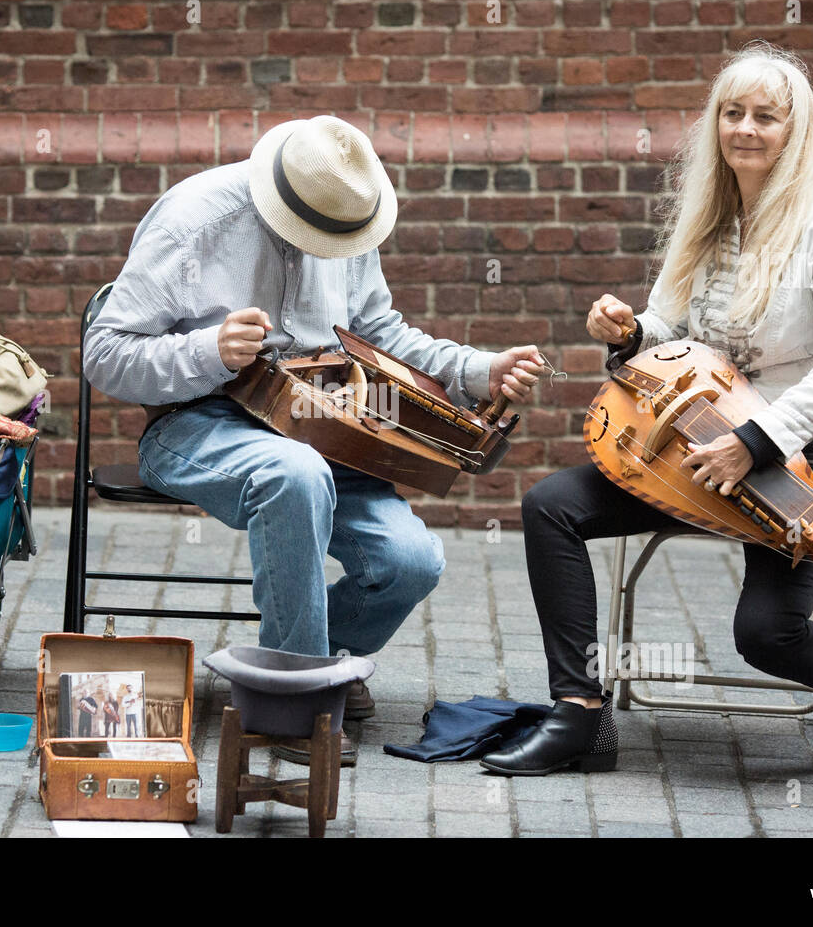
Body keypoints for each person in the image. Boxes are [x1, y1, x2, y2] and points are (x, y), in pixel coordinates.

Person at [481, 43, 813, 786]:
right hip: (701, 443)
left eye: (765, 116)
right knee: (551, 506)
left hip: (803, 446)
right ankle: (579, 713)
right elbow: (674, 327)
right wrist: (631, 331)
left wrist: (756, 441)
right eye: (732, 113)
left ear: (795, 130)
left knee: (766, 633)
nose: (745, 128)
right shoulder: (709, 215)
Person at [85, 115, 546, 763]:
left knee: (408, 563)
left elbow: (377, 332)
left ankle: (315, 664)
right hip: (199, 424)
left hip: (326, 431)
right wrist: (209, 349)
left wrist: (476, 368)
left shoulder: (344, 214)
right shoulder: (194, 218)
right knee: (292, 474)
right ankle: (292, 711)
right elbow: (103, 354)